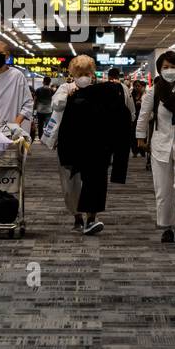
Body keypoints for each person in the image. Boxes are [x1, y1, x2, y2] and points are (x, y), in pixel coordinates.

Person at [54, 55, 133, 235]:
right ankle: (77, 217)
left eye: (87, 73)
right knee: (71, 185)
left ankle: (91, 218)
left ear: (93, 73)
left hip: (96, 145)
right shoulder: (65, 89)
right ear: (72, 74)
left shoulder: (105, 91)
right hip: (70, 144)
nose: (84, 76)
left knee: (95, 181)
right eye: (79, 73)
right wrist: (69, 95)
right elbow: (56, 105)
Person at [135, 51, 175, 243]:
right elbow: (144, 114)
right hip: (160, 144)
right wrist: (140, 136)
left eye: (173, 67)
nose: (169, 71)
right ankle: (167, 226)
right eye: (165, 67)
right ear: (159, 69)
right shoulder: (154, 91)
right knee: (163, 189)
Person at [0, 39, 34, 133]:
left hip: (8, 130)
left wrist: (16, 124)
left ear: (7, 55)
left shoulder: (17, 76)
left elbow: (28, 104)